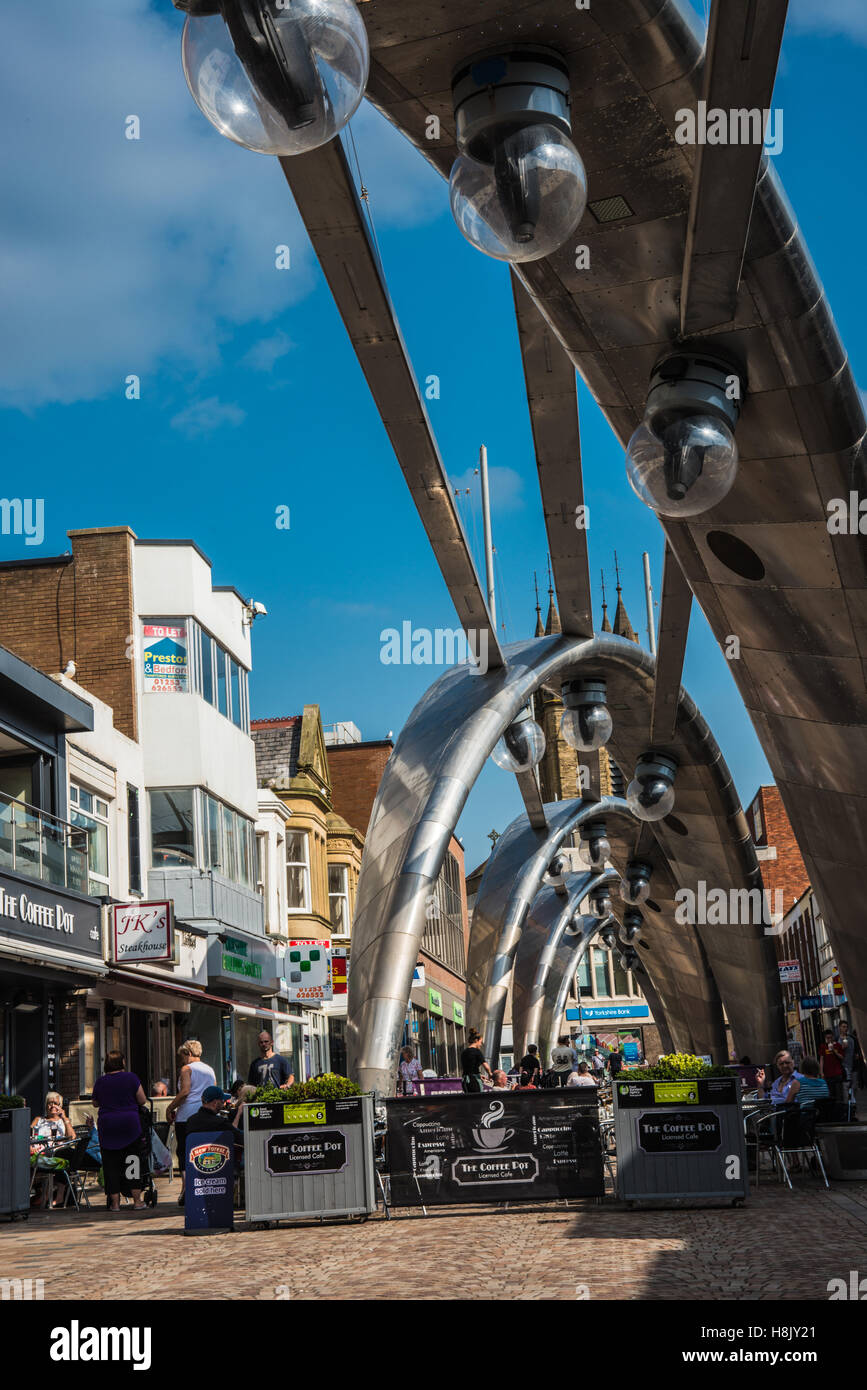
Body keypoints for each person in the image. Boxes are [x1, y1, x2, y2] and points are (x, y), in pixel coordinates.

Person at [91, 1051, 149, 1213]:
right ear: (122, 1062)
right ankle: (137, 1201)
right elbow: (142, 1099)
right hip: (129, 1125)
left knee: (111, 1166)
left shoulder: (100, 1082)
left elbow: (95, 1103)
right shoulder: (131, 1078)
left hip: (108, 1126)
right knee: (132, 1161)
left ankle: (115, 1204)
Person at [167, 1039, 216, 1206]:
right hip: (206, 1113)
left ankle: (186, 1188)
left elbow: (185, 1091)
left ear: (187, 1053)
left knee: (184, 1152)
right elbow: (214, 1091)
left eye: (182, 1056)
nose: (181, 1060)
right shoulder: (209, 1070)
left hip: (186, 1115)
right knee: (204, 1151)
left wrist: (170, 1107)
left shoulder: (186, 1069)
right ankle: (205, 1186)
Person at [460, 1028, 492, 1093]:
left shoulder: (464, 1052)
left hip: (465, 1081)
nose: (481, 1044)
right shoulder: (477, 1052)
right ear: (476, 1040)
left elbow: (469, 1068)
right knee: (478, 1099)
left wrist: (479, 1075)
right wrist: (490, 1074)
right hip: (474, 1080)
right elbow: (486, 1067)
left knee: (469, 1099)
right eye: (480, 1042)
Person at [819, 1030, 845, 1103]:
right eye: (827, 1038)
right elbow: (822, 1059)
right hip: (828, 1074)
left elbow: (842, 1057)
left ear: (833, 1037)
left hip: (837, 1073)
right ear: (825, 1038)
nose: (829, 1040)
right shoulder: (823, 1046)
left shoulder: (838, 1045)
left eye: (830, 1038)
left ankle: (841, 1110)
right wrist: (821, 1072)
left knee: (839, 1094)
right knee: (831, 1094)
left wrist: (834, 1050)